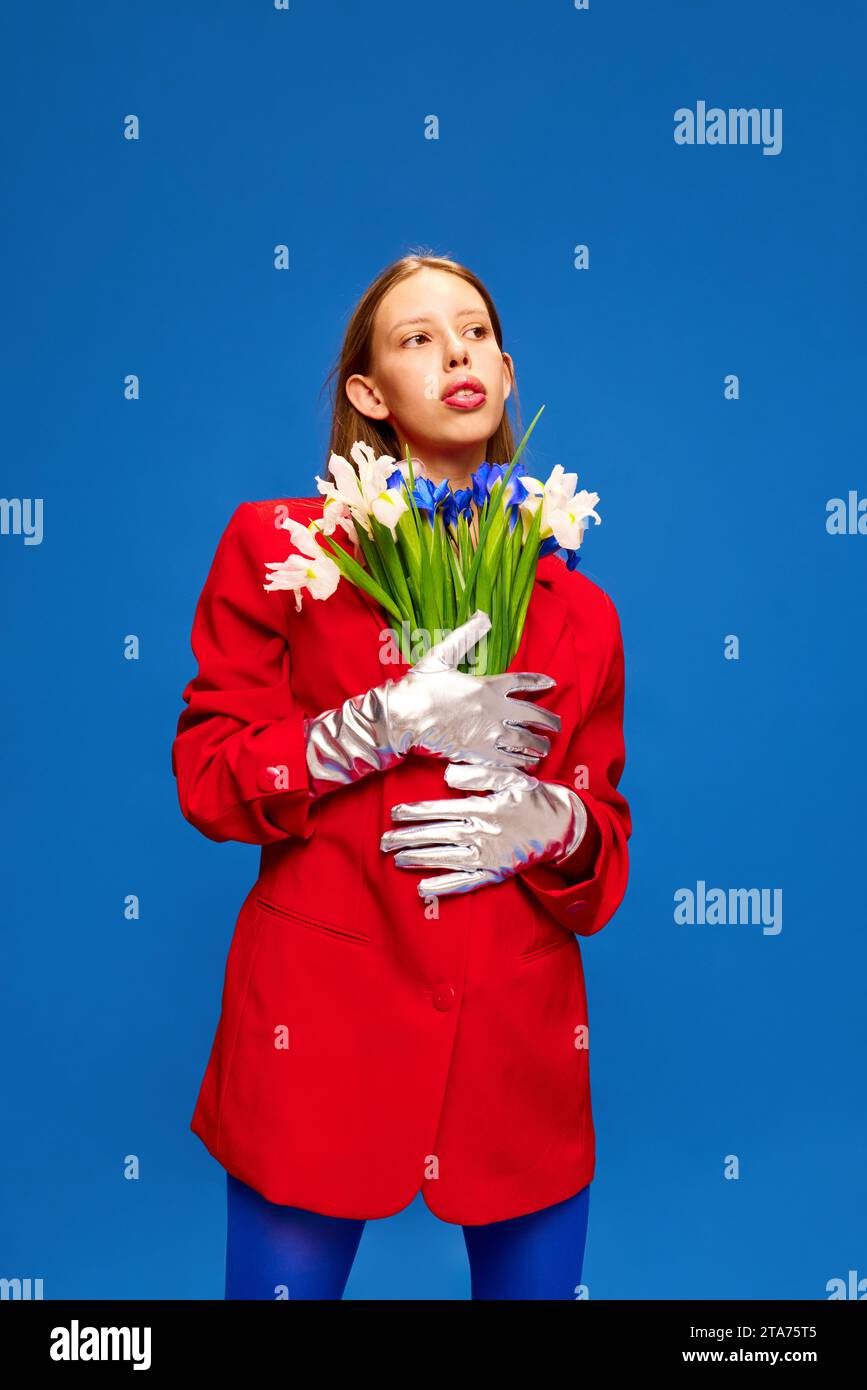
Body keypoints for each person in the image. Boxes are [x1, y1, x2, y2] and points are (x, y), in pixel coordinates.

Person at [171, 252, 631, 1299]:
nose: (455, 351)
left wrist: (553, 822)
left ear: (507, 375)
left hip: (519, 1055)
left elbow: (606, 858)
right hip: (320, 1041)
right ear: (369, 394)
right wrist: (370, 725)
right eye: (417, 337)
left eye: (473, 332)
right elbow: (207, 778)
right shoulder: (282, 550)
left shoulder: (581, 609)